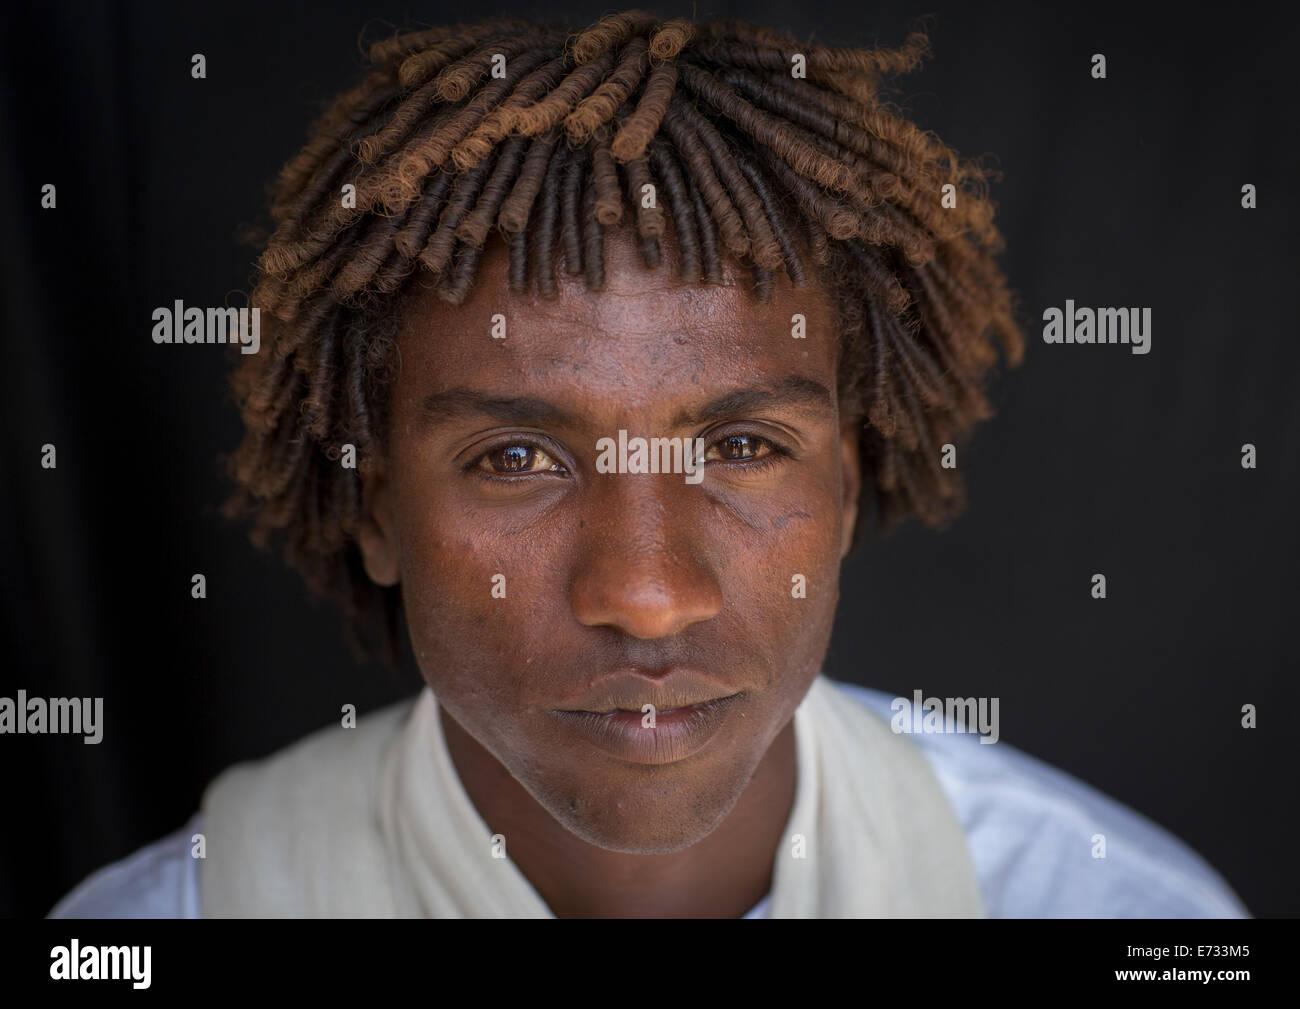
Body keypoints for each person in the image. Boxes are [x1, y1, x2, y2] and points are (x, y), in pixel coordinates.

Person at [52, 11, 1246, 918]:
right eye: (516, 455)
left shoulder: (1110, 908)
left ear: (844, 487)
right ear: (375, 506)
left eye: (740, 446)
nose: (645, 594)